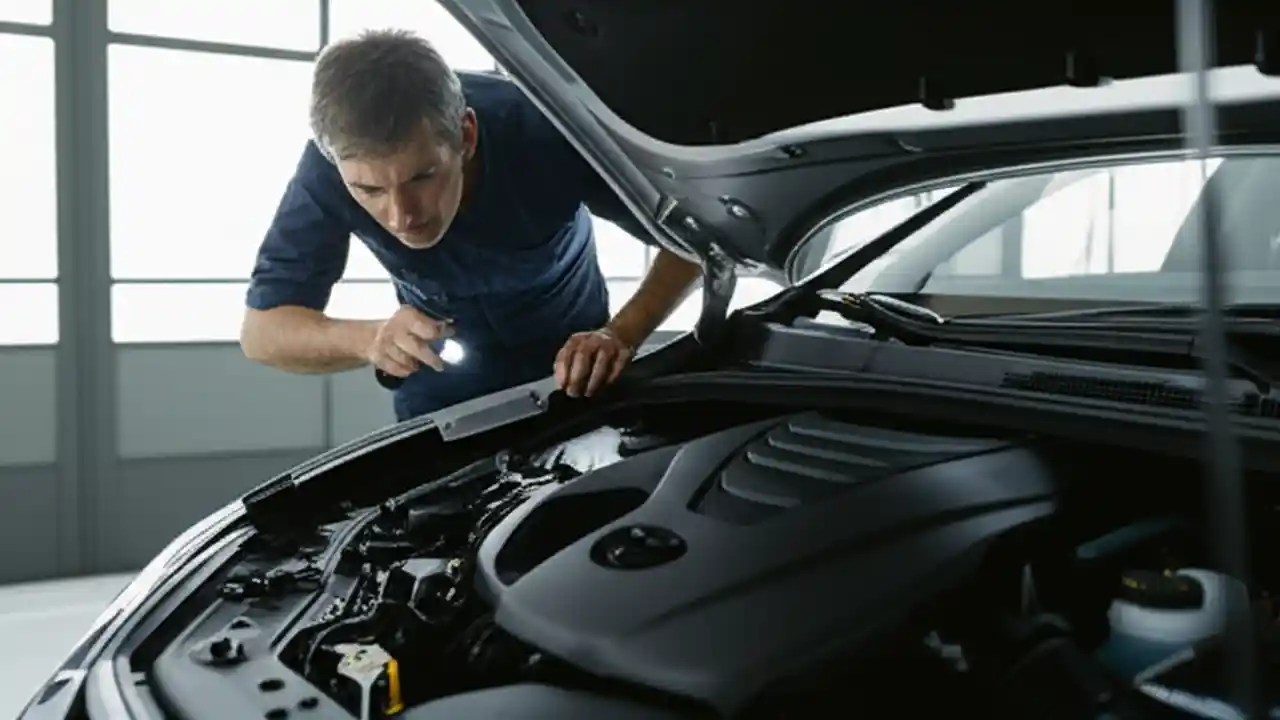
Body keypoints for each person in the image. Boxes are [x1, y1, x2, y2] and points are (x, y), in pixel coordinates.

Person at [239, 29, 701, 422]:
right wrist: (369, 338)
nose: (402, 216)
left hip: (576, 369)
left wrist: (621, 334)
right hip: (440, 387)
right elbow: (262, 332)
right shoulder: (325, 168)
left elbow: (695, 238)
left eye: (421, 176)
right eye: (369, 191)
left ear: (466, 134)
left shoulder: (548, 128)